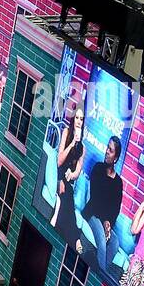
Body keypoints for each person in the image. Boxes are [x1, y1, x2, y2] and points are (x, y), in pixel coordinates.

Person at [78, 135, 124, 271]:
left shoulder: (118, 182)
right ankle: (99, 277)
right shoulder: (97, 168)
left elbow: (116, 208)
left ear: (115, 158)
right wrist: (105, 221)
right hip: (92, 213)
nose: (106, 152)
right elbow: (96, 198)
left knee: (115, 243)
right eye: (107, 148)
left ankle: (96, 270)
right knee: (102, 244)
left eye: (110, 150)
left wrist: (109, 223)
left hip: (105, 220)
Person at [50, 103, 86, 245]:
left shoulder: (83, 148)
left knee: (68, 198)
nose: (78, 121)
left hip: (68, 180)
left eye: (81, 119)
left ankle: (68, 237)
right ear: (73, 119)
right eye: (77, 118)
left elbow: (77, 171)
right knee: (66, 196)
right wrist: (71, 144)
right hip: (59, 174)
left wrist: (73, 174)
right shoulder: (66, 132)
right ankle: (75, 238)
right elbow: (59, 162)